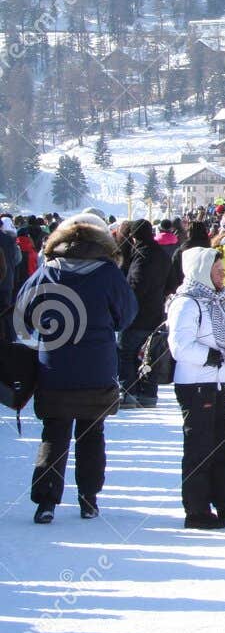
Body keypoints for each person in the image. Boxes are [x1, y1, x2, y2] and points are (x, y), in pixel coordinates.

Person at [16, 214, 137, 523]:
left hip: (55, 365)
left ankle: (46, 501)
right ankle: (89, 499)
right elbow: (126, 314)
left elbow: (23, 311)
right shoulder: (109, 273)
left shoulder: (48, 270)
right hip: (98, 366)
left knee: (54, 432)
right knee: (92, 433)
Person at [167, 247, 225, 529]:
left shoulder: (222, 300)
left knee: (221, 444)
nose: (223, 274)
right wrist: (208, 356)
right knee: (200, 447)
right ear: (201, 271)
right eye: (217, 270)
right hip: (197, 384)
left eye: (224, 270)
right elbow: (179, 345)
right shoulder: (188, 302)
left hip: (216, 382)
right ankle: (197, 510)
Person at [118, 219, 172, 408]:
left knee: (127, 352)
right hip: (156, 312)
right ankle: (148, 394)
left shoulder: (141, 255)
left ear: (133, 237)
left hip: (137, 315)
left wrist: (126, 301)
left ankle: (128, 393)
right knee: (150, 355)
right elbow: (172, 282)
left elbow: (137, 284)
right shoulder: (162, 255)